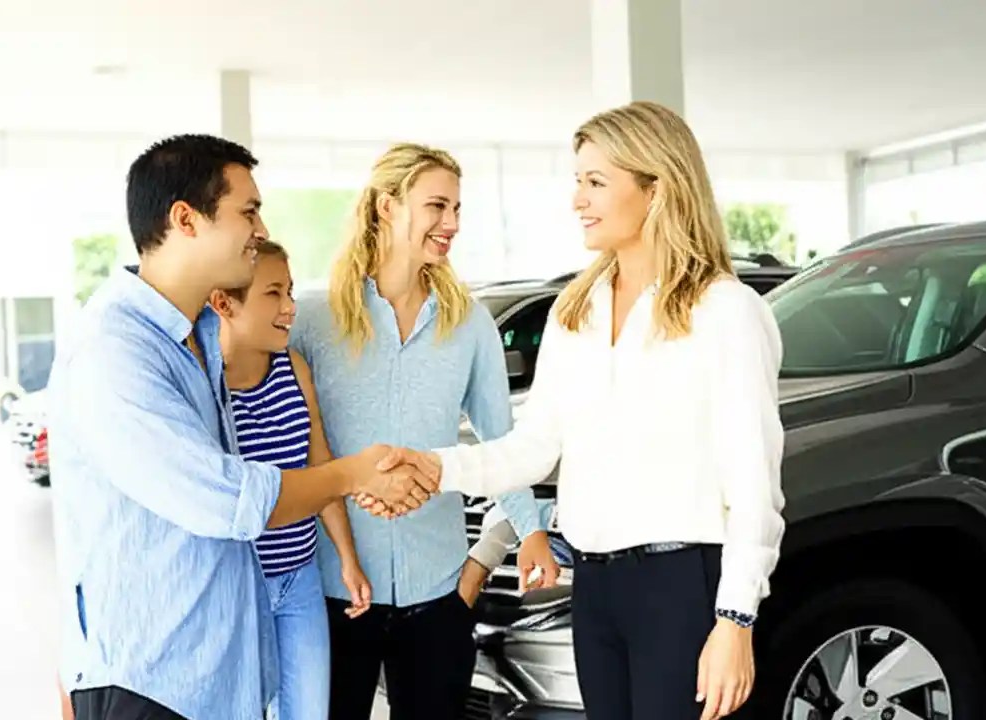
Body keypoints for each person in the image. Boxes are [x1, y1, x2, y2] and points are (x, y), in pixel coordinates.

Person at [374, 101, 786, 720]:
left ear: (656, 188)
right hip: (595, 589)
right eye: (577, 181)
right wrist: (434, 469)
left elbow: (755, 483)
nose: (577, 200)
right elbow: (534, 446)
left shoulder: (725, 311)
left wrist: (735, 620)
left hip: (682, 586)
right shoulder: (578, 309)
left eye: (596, 181)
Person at [47, 133, 437, 720]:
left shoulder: (196, 335)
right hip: (148, 683)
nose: (260, 229)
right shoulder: (113, 349)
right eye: (247, 210)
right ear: (186, 220)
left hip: (215, 678)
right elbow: (227, 500)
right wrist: (353, 474)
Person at [289, 142, 562, 720]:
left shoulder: (469, 324)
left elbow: (499, 438)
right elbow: (291, 442)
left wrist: (529, 532)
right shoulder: (313, 321)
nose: (452, 224)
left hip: (439, 591)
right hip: (336, 588)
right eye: (437, 206)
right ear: (386, 207)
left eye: (458, 209)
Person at [208, 238, 370, 720]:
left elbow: (320, 471)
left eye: (291, 292)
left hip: (299, 579)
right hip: (238, 587)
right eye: (273, 294)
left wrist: (347, 559)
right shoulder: (203, 384)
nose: (290, 307)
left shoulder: (293, 368)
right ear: (224, 304)